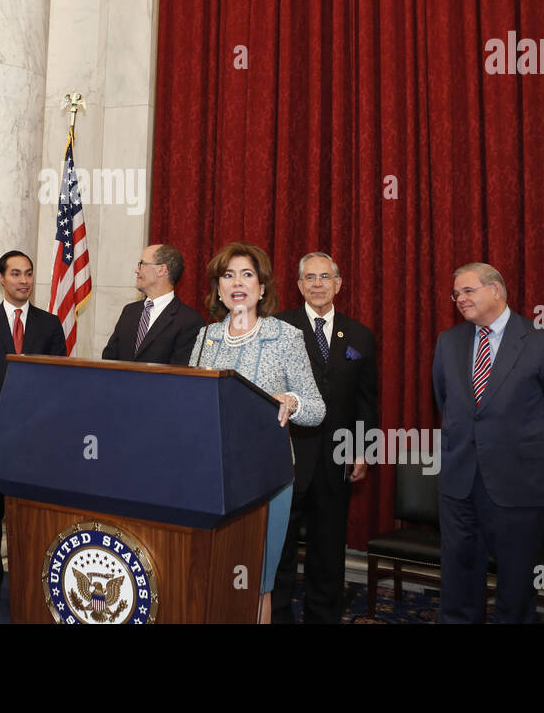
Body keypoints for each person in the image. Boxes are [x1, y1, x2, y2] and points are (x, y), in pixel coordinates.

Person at [433, 262, 544, 623]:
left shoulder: (543, 343)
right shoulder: (448, 342)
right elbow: (445, 403)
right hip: (459, 483)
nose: (460, 300)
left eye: (468, 291)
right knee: (457, 582)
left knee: (515, 589)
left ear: (496, 290)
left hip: (520, 486)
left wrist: (535, 463)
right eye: (456, 294)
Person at [188, 242, 325, 624]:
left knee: (255, 581)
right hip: (210, 476)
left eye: (247, 275)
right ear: (218, 288)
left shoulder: (285, 336)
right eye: (228, 275)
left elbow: (317, 409)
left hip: (266, 477)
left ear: (262, 288)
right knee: (210, 573)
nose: (237, 283)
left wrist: (292, 401)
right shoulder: (205, 338)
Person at [272, 252, 378, 623]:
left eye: (325, 277)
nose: (317, 284)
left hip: (337, 460)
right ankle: (278, 615)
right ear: (299, 285)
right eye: (310, 278)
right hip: (287, 458)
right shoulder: (277, 328)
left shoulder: (360, 334)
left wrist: (364, 450)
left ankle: (322, 616)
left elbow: (367, 401)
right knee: (280, 549)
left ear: (338, 284)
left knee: (328, 548)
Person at [0, 250, 66, 615]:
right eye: (16, 274)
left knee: (29, 518)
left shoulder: (51, 324)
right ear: (1, 279)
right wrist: (7, 414)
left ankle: (32, 585)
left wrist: (29, 417)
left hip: (36, 438)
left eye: (28, 274)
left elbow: (57, 379)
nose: (23, 280)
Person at [102, 244, 205, 365]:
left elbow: (179, 374)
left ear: (161, 270)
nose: (136, 270)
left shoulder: (189, 320)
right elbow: (109, 359)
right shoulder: (130, 311)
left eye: (142, 264)